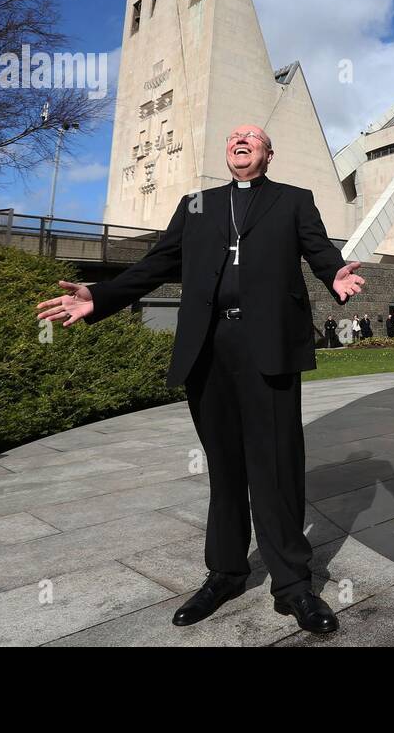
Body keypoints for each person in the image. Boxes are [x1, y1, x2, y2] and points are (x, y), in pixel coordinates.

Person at [35, 124, 365, 635]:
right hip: (208, 349)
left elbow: (320, 250)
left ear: (268, 154)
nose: (241, 140)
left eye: (253, 137)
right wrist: (99, 297)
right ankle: (227, 572)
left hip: (268, 349)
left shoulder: (294, 200)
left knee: (275, 464)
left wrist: (336, 274)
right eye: (234, 136)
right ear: (226, 151)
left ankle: (294, 586)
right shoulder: (196, 204)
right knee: (225, 465)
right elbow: (158, 264)